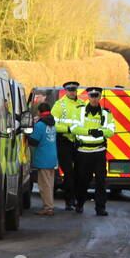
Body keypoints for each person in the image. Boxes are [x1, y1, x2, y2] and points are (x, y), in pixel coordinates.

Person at [69, 86, 116, 216]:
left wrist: (100, 132)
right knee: (82, 181)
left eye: (97, 96)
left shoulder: (106, 113)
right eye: (92, 96)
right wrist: (89, 131)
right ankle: (80, 203)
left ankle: (100, 207)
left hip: (99, 152)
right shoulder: (79, 111)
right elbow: (73, 128)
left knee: (101, 182)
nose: (94, 99)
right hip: (83, 152)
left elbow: (111, 131)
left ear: (100, 97)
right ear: (88, 97)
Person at [51, 81, 85, 210]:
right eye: (70, 89)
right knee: (68, 173)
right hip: (64, 141)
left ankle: (77, 199)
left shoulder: (82, 104)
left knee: (80, 172)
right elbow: (54, 124)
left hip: (79, 142)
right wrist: (69, 129)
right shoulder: (59, 105)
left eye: (74, 89)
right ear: (66, 90)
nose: (72, 92)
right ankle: (69, 200)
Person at [26, 102, 59, 215]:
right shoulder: (52, 124)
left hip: (43, 158)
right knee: (49, 184)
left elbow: (34, 141)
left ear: (40, 112)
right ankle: (50, 206)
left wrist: (26, 134)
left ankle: (48, 208)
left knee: (44, 185)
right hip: (52, 158)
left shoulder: (40, 125)